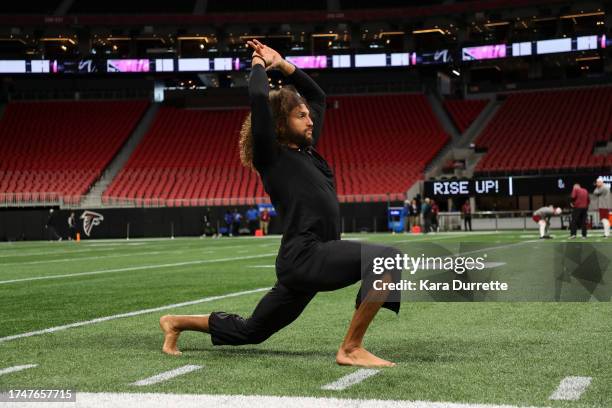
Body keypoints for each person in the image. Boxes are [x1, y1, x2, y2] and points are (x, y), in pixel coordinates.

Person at [160, 39, 400, 367]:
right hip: (306, 254)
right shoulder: (271, 155)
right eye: (301, 116)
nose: (310, 120)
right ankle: (350, 349)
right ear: (280, 123)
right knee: (385, 259)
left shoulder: (308, 151)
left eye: (308, 116)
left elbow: (318, 97)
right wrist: (259, 62)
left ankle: (176, 322)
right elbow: (258, 97)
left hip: (310, 257)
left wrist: (284, 64)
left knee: (252, 331)